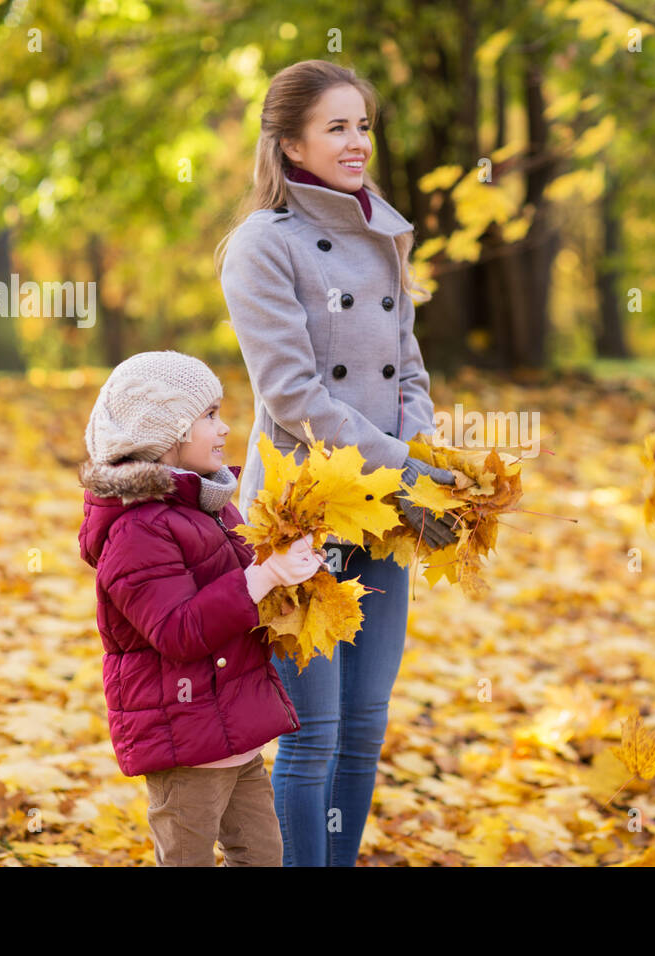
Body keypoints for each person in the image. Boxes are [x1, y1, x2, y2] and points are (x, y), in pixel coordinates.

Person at [214, 60, 456, 866]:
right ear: (289, 144)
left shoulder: (383, 231)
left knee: (364, 726)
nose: (358, 143)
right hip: (303, 508)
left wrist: (413, 456)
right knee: (312, 732)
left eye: (363, 126)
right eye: (337, 128)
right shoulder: (260, 247)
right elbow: (291, 394)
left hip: (388, 503)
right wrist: (401, 464)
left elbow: (409, 366)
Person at [77, 349, 323, 866]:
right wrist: (261, 577)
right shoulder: (136, 530)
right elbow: (178, 630)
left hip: (238, 733)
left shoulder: (206, 502)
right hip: (183, 741)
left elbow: (243, 581)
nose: (225, 426)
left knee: (261, 854)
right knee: (188, 857)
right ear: (162, 432)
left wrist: (285, 564)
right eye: (209, 415)